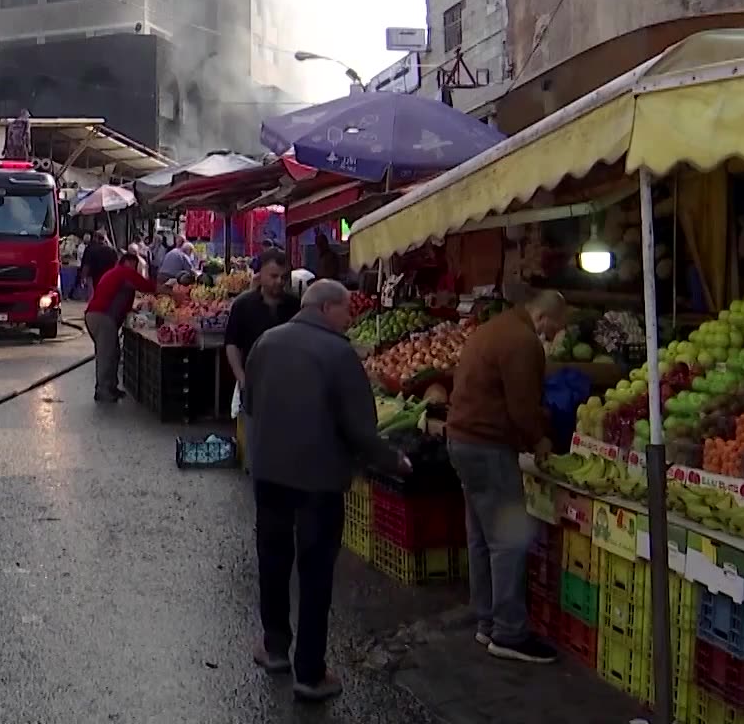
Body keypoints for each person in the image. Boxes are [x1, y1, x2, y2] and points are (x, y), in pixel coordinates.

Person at [244, 279, 411, 702]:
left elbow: (247, 402)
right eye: (346, 310)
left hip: (269, 472)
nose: (351, 319)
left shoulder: (266, 342)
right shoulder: (339, 354)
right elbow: (360, 427)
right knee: (315, 573)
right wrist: (393, 460)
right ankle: (310, 673)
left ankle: (276, 647)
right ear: (326, 309)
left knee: (273, 559)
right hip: (318, 479)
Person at [445, 288, 568, 664]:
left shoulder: (493, 328)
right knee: (507, 540)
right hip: (488, 445)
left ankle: (486, 620)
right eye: (552, 330)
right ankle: (510, 632)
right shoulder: (522, 341)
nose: (548, 338)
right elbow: (523, 406)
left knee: (481, 535)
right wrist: (539, 439)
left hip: (462, 441)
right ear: (544, 318)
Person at [223, 248, 294, 402]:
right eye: (274, 276)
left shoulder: (294, 305)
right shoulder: (243, 305)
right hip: (253, 384)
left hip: (288, 384)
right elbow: (232, 343)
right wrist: (241, 377)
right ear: (260, 274)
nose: (280, 282)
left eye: (284, 277)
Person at [84, 251, 155, 402]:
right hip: (103, 317)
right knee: (106, 355)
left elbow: (120, 296)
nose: (135, 269)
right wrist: (171, 291)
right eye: (134, 265)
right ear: (127, 262)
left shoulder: (113, 273)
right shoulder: (124, 273)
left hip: (95, 315)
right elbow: (146, 285)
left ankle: (111, 387)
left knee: (113, 352)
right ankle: (103, 390)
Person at [79, 230, 118, 300]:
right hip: (107, 276)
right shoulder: (110, 250)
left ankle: (93, 308)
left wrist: (83, 277)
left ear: (95, 237)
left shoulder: (90, 249)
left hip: (92, 276)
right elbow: (116, 264)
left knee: (92, 295)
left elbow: (87, 264)